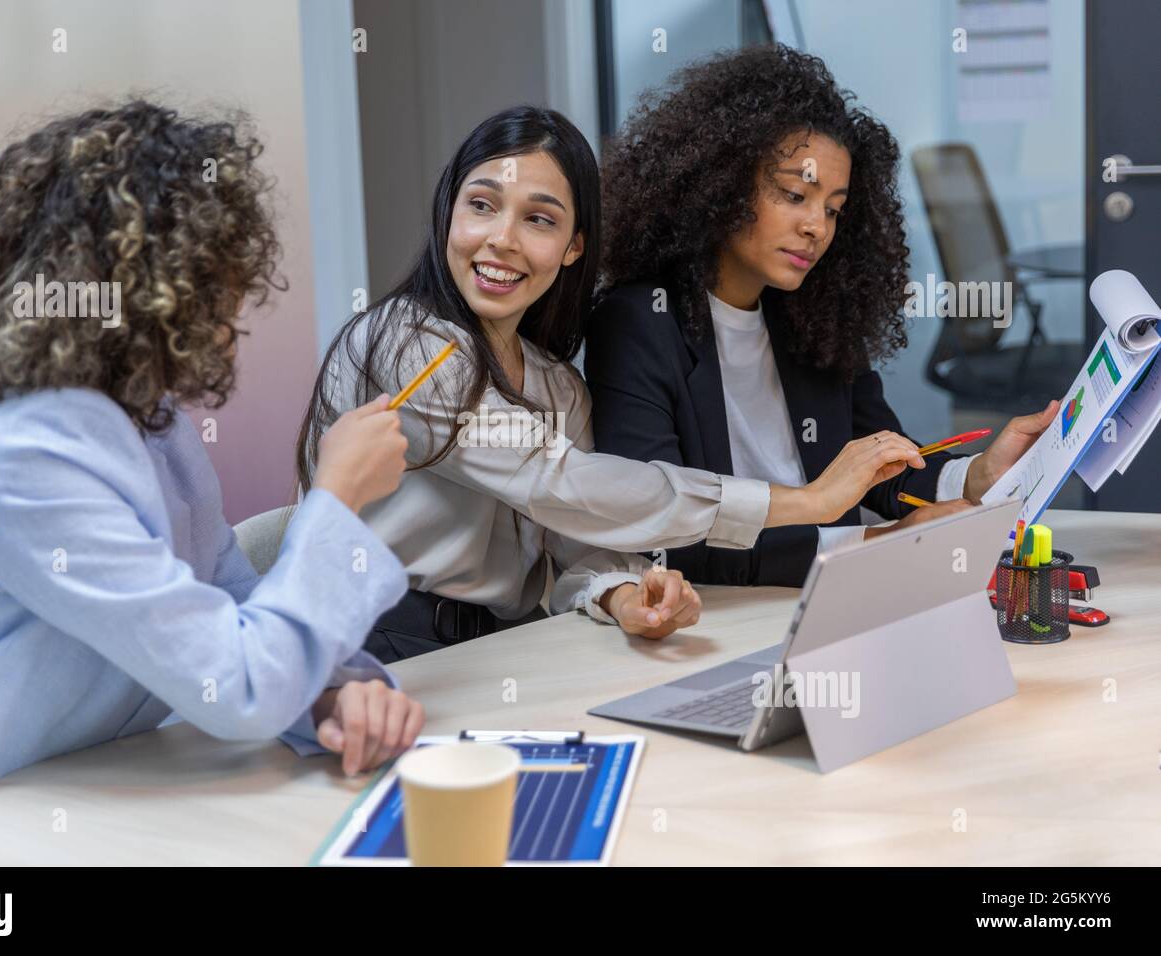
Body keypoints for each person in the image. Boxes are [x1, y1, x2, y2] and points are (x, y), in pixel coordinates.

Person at [0, 100, 424, 866]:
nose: (235, 308)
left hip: (47, 812)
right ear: (158, 284)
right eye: (221, 278)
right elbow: (239, 686)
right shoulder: (24, 457)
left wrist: (328, 695)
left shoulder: (150, 424)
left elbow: (230, 606)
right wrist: (336, 496)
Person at [295, 105, 928, 663]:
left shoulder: (557, 387)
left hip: (502, 647)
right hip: (376, 649)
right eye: (481, 205)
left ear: (573, 247)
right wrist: (806, 502)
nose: (502, 240)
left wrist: (625, 595)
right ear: (448, 215)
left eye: (539, 220)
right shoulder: (406, 345)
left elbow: (580, 549)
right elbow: (558, 481)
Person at [587, 47, 1057, 586]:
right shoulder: (640, 323)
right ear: (720, 183)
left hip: (832, 598)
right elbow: (667, 540)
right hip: (717, 621)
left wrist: (975, 478)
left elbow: (879, 475)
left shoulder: (812, 314)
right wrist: (874, 543)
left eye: (834, 208)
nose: (818, 227)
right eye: (794, 194)